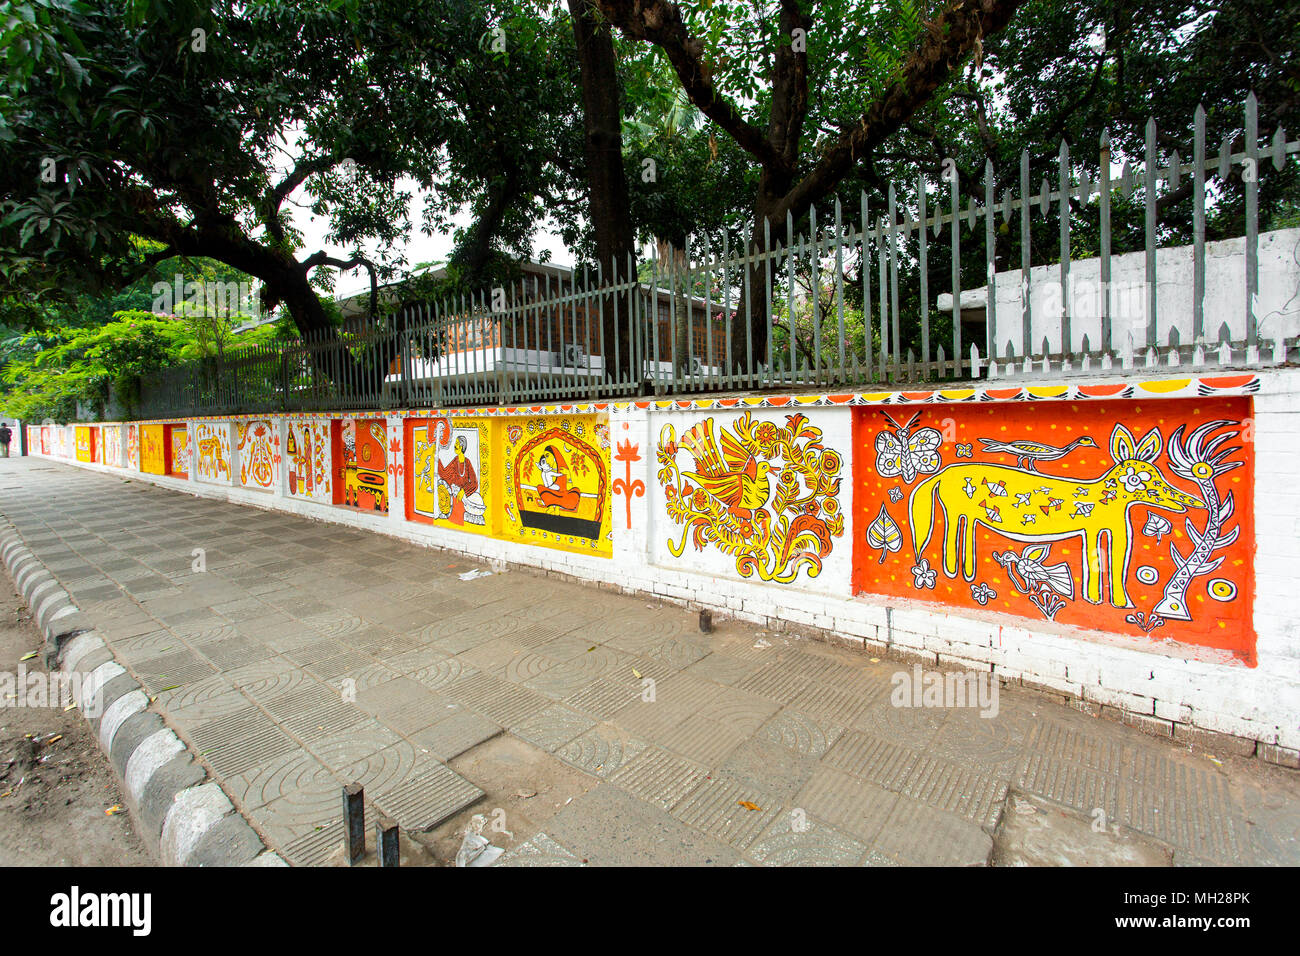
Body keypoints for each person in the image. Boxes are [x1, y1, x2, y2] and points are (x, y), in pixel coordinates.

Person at [436, 435, 485, 525]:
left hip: (465, 496)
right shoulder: (455, 461)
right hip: (455, 496)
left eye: (457, 444)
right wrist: (437, 460)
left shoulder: (467, 462)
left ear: (462, 446)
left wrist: (464, 491)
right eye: (455, 443)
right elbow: (445, 473)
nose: (455, 446)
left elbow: (474, 483)